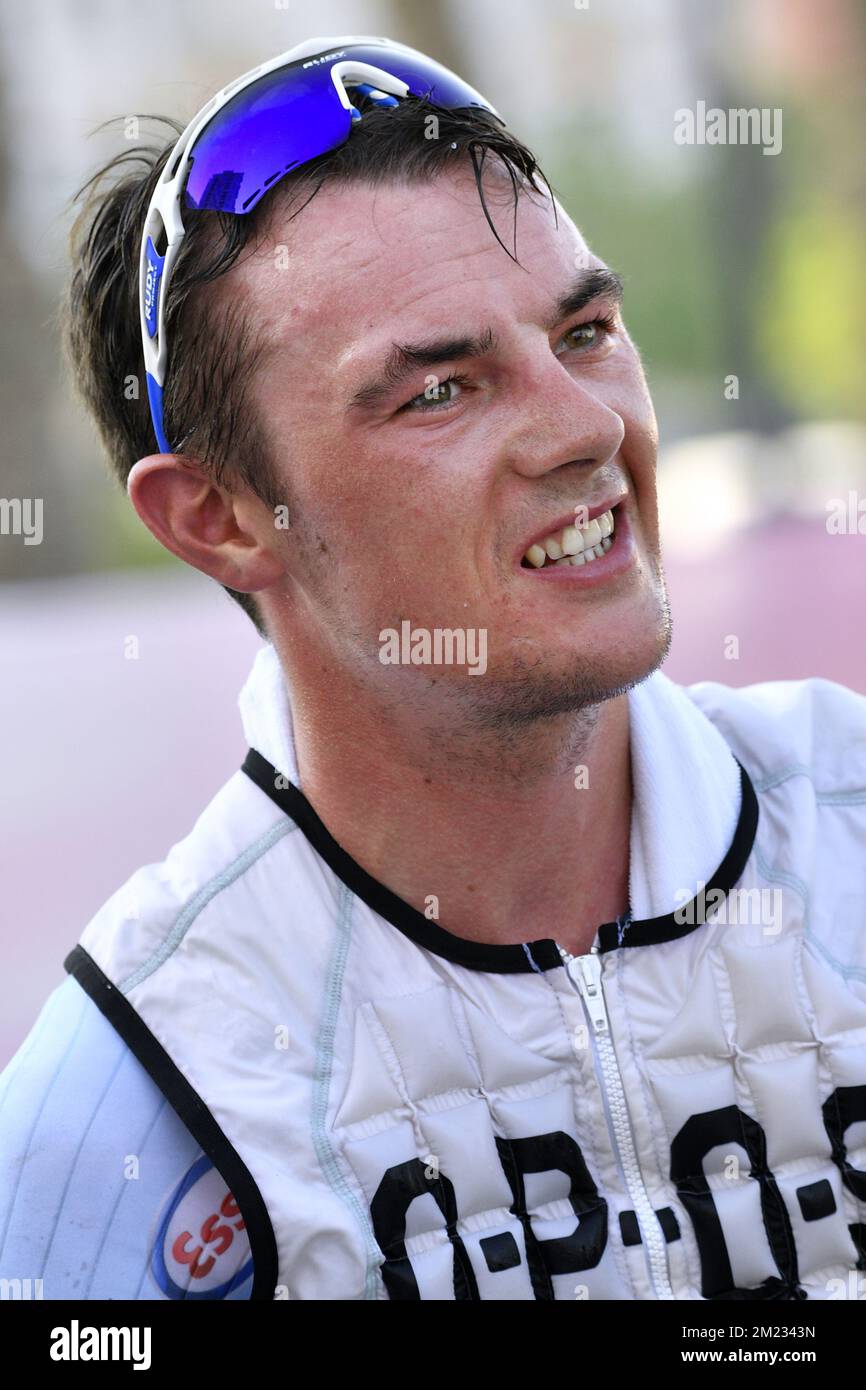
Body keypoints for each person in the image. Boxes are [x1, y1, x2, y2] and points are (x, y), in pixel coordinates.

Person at [2, 32, 865, 1303]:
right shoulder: (137, 1087)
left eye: (584, 331)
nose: (584, 429)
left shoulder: (844, 825)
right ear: (219, 517)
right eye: (439, 392)